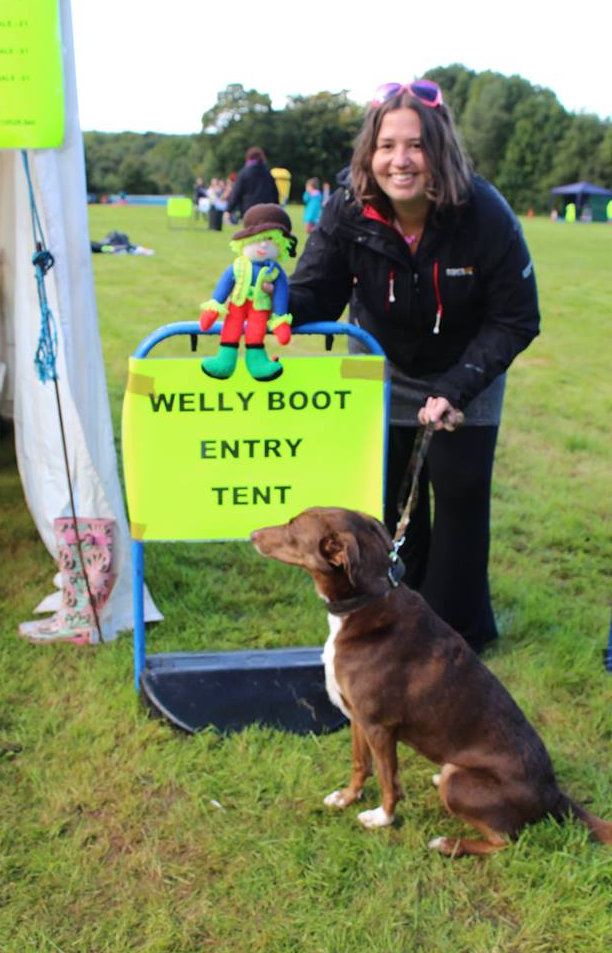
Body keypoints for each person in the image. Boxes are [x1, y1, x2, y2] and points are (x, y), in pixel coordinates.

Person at [288, 79, 540, 653]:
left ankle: (455, 635)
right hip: (382, 368)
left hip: (466, 369)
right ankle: (387, 617)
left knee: (459, 491)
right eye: (386, 145)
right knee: (388, 506)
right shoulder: (347, 210)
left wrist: (457, 387)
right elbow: (316, 295)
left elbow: (516, 318)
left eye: (416, 145)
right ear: (369, 154)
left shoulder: (484, 213)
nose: (400, 160)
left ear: (440, 150)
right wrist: (269, 302)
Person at [224, 146, 279, 219]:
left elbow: (236, 192)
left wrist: (229, 209)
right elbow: (275, 193)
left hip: (249, 211)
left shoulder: (244, 173)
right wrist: (277, 208)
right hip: (267, 210)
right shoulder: (268, 173)